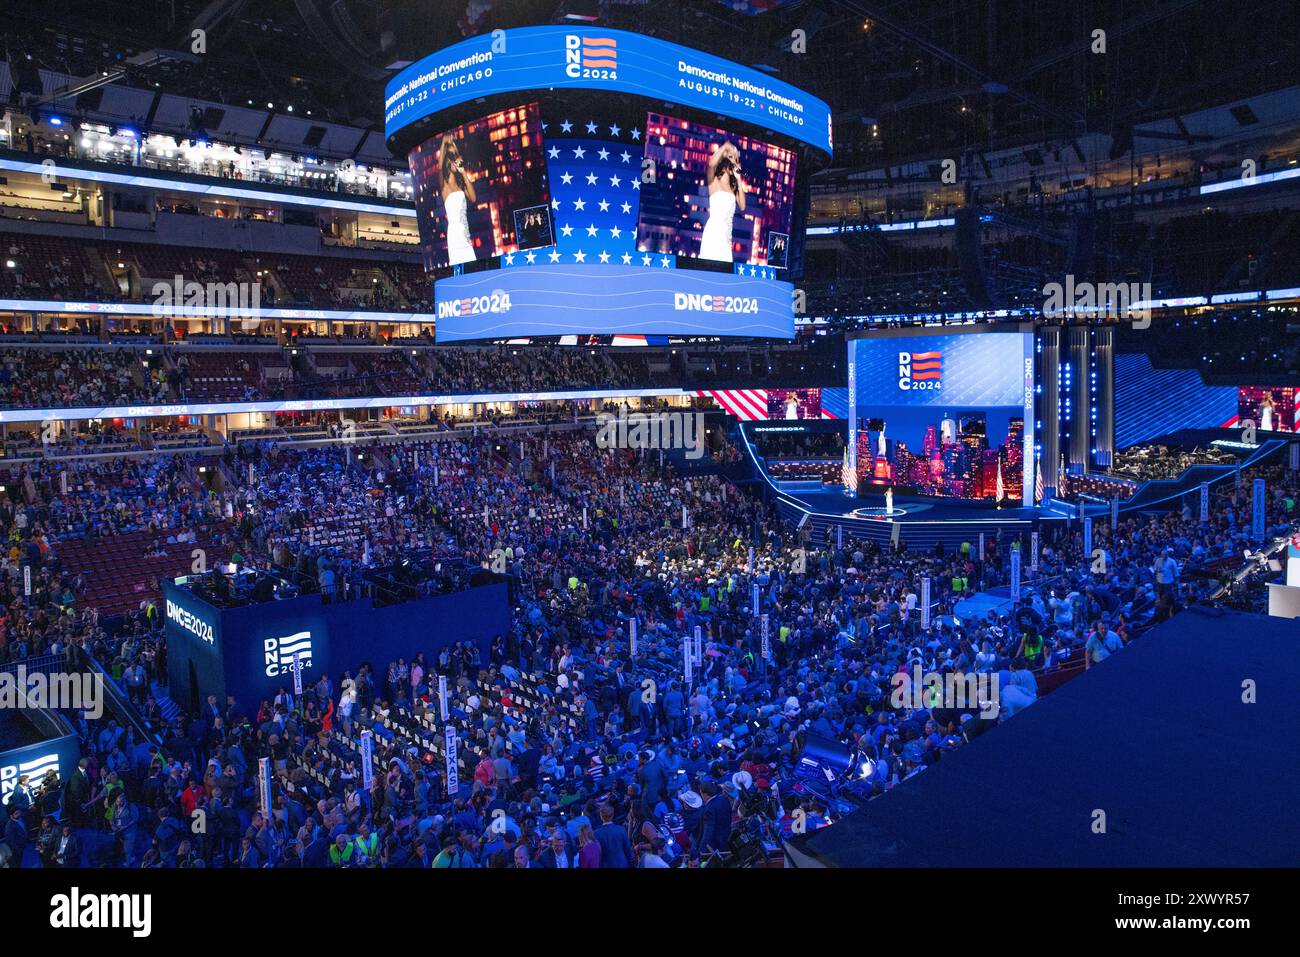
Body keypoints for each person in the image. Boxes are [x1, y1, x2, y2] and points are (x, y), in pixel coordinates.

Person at [700, 141, 745, 262]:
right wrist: (726, 146)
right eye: (729, 162)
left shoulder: (733, 187)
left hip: (726, 240)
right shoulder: (713, 181)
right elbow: (711, 163)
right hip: (713, 235)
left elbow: (743, 206)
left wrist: (739, 180)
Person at [438, 135, 477, 266]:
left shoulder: (460, 184)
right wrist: (444, 144)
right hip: (455, 235)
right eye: (453, 158)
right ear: (448, 163)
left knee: (472, 266)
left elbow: (473, 198)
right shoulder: (444, 185)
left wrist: (464, 173)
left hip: (465, 233)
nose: (457, 160)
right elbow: (439, 167)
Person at [593, 804, 633, 869]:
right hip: (623, 864)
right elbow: (628, 849)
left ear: (601, 816)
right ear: (612, 815)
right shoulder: (621, 830)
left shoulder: (596, 834)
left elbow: (596, 855)